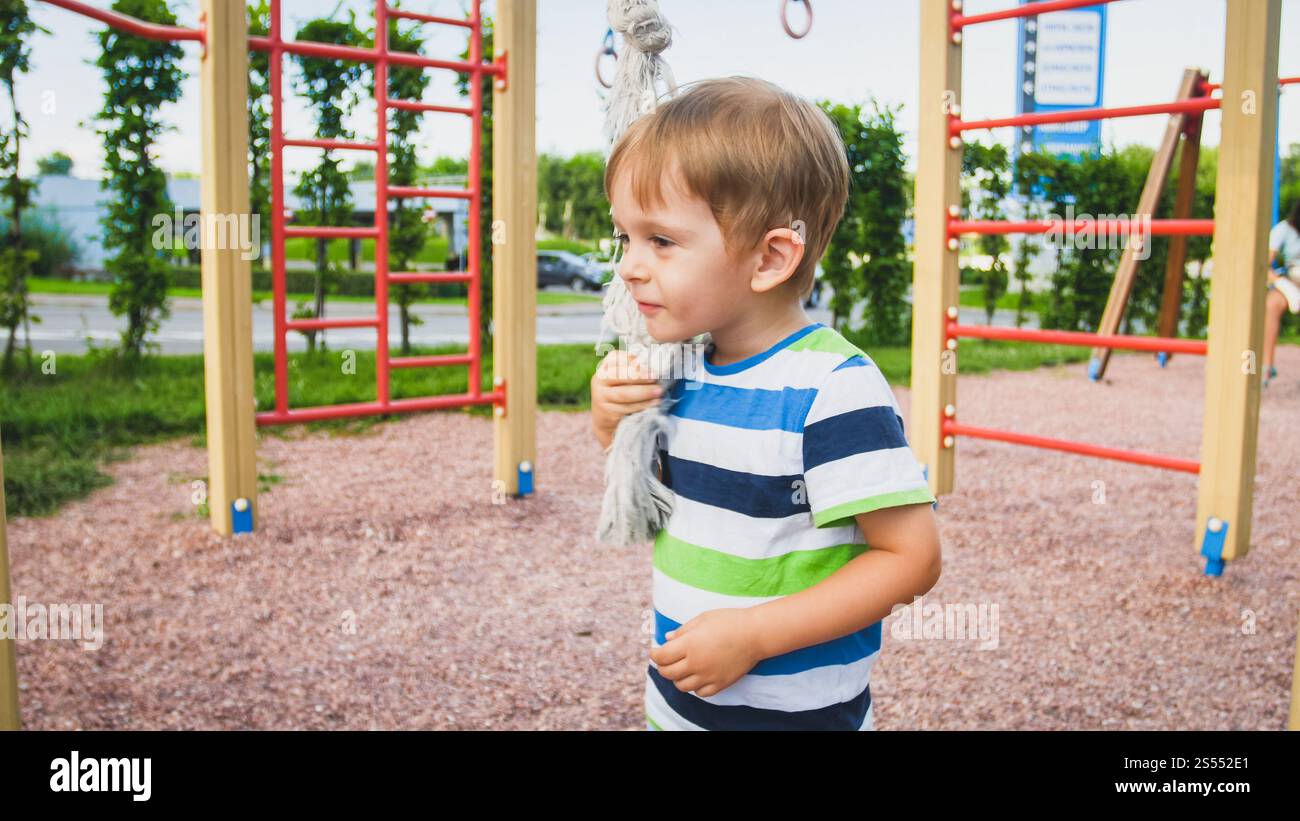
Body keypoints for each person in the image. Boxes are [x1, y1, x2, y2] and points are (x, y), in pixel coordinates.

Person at [588, 77, 942, 731]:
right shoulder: (684, 369)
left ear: (770, 257)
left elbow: (912, 558)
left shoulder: (832, 389)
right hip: (680, 705)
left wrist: (755, 633)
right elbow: (667, 495)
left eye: (660, 241)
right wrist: (612, 424)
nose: (631, 267)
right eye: (625, 239)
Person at [1263, 199, 1300, 388]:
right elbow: (1264, 265)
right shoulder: (1285, 230)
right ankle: (1267, 365)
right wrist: (1283, 285)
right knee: (1272, 304)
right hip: (1290, 280)